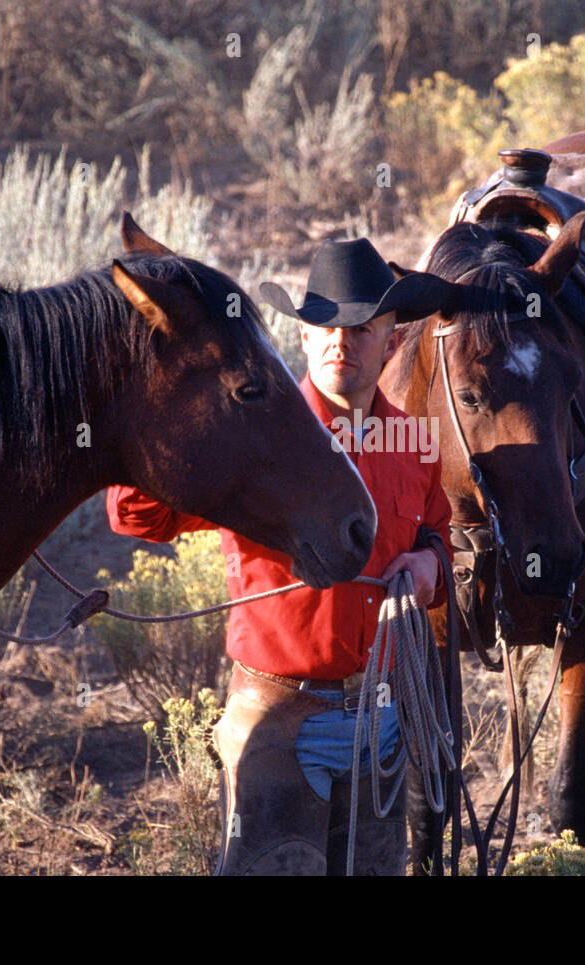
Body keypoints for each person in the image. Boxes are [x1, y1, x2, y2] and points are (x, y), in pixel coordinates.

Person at [106, 237, 455, 875]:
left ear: (393, 343)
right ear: (301, 337)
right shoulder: (251, 436)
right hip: (277, 719)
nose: (340, 342)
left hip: (380, 721)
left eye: (362, 327)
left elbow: (439, 536)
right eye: (324, 325)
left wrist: (430, 567)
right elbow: (137, 516)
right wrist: (159, 419)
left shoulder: (416, 446)